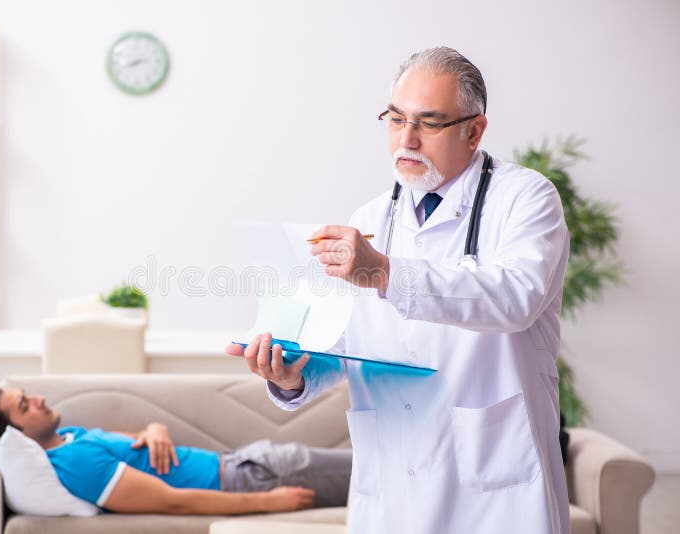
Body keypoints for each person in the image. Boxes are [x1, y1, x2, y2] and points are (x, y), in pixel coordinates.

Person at [227, 46, 571, 533]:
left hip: (494, 491)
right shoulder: (371, 217)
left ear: (474, 131)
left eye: (429, 123)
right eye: (396, 119)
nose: (406, 139)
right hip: (391, 489)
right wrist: (291, 376)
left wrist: (386, 273)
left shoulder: (525, 198)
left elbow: (517, 298)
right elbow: (344, 345)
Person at [0, 386, 351, 514]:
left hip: (250, 463)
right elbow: (171, 501)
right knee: (375, 473)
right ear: (16, 435)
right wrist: (267, 501)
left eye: (28, 395)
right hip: (256, 477)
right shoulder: (74, 463)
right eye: (25, 406)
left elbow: (135, 441)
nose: (39, 399)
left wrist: (155, 428)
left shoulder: (71, 438)